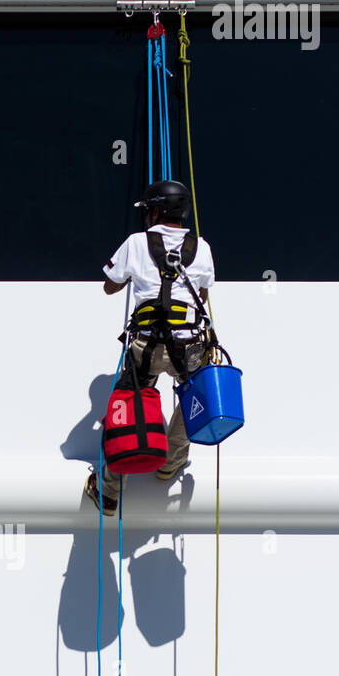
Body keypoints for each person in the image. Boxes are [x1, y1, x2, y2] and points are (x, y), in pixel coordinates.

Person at [86, 178, 216, 515]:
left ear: (156, 210)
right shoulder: (201, 248)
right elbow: (202, 295)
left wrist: (138, 275)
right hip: (189, 345)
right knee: (194, 401)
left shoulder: (136, 243)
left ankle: (110, 490)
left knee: (127, 403)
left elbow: (109, 287)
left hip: (146, 347)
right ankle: (170, 464)